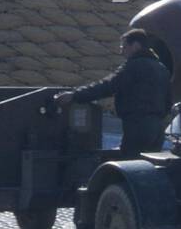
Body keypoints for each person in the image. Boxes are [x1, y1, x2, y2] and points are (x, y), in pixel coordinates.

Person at [54, 28, 173, 156]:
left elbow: (107, 86)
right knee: (149, 169)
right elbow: (168, 101)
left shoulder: (134, 66)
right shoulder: (162, 69)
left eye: (124, 47)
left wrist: (75, 95)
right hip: (157, 129)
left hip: (137, 127)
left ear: (136, 46)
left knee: (130, 167)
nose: (121, 51)